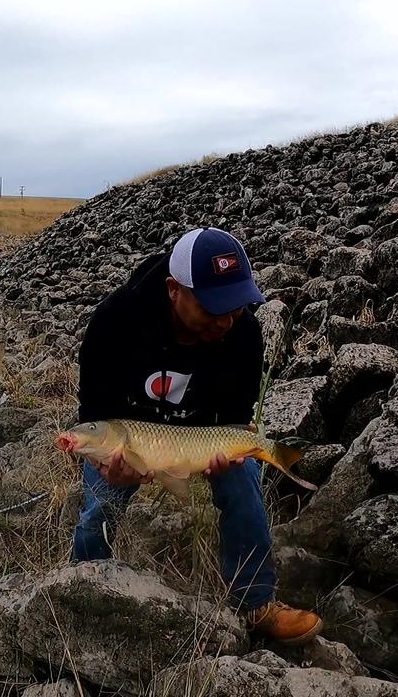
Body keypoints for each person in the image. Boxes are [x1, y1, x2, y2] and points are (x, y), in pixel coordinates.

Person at [70, 226, 322, 644]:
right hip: (130, 434)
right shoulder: (114, 321)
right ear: (174, 290)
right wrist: (106, 465)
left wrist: (227, 452)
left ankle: (256, 603)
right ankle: (80, 589)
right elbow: (95, 415)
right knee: (101, 502)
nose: (225, 320)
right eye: (212, 307)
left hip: (203, 435)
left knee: (243, 477)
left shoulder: (243, 332)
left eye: (234, 306)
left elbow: (235, 418)